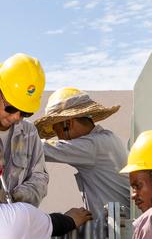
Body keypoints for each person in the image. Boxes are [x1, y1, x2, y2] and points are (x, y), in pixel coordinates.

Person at [34, 87, 129, 218]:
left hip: (115, 228)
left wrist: (14, 136)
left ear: (68, 123)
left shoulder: (91, 146)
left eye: (57, 131)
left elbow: (38, 148)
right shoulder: (106, 139)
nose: (59, 138)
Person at [0, 53, 50, 206]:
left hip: (16, 219)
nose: (16, 117)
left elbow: (40, 177)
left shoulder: (29, 133)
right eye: (11, 108)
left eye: (25, 113)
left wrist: (19, 197)